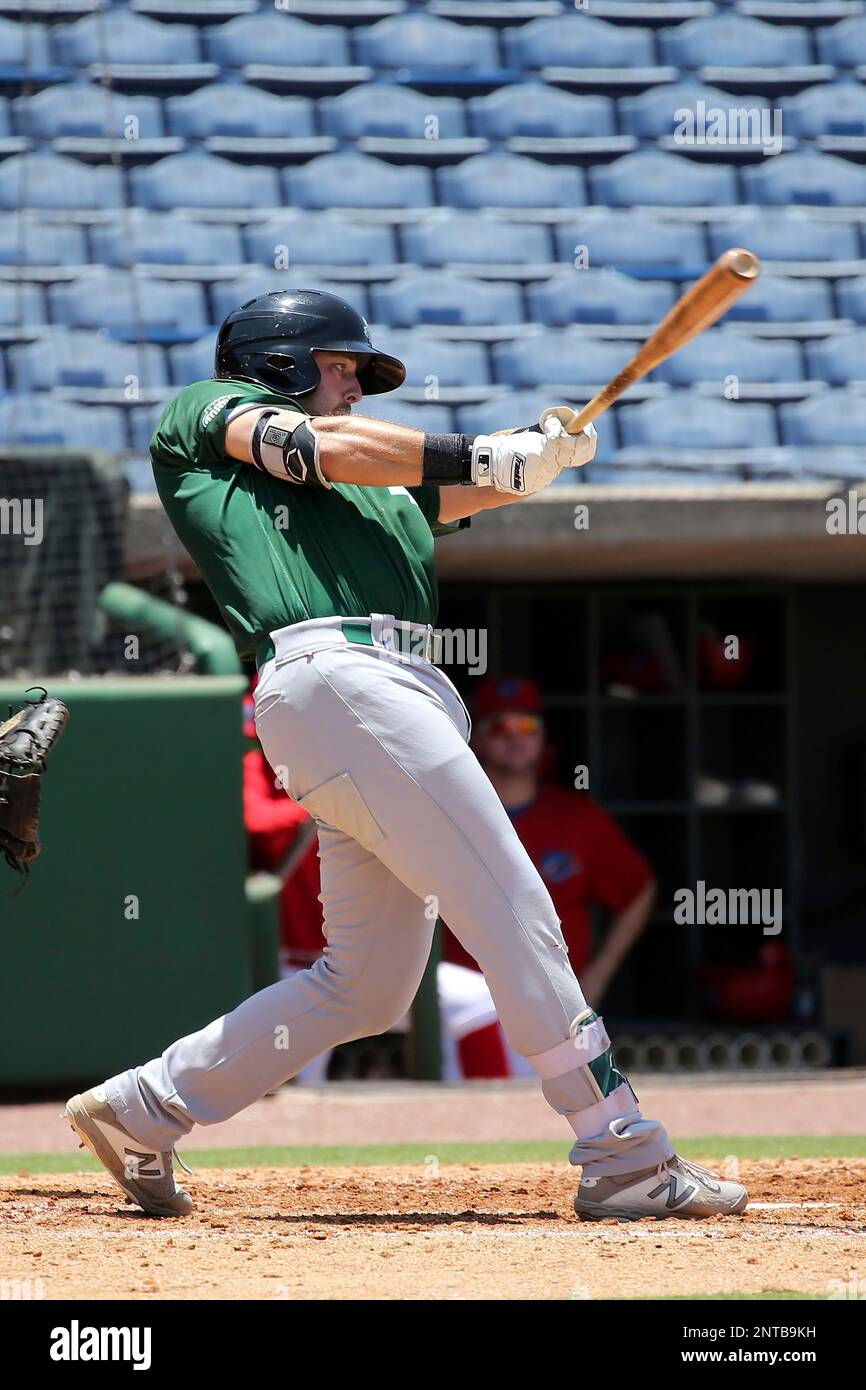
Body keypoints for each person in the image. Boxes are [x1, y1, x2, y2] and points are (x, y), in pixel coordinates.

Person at [64, 288, 746, 1222]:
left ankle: (145, 1107)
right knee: (512, 906)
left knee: (371, 982)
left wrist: (532, 458)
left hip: (384, 696)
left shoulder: (373, 480)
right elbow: (330, 448)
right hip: (339, 675)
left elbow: (434, 487)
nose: (356, 388)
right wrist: (483, 452)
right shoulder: (208, 411)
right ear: (281, 362)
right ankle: (623, 1151)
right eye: (341, 369)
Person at [242, 682, 509, 1082]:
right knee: (292, 1089)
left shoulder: (356, 720)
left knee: (476, 1002)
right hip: (289, 968)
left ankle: (487, 1129)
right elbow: (256, 822)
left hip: (367, 965)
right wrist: (333, 799)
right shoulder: (259, 729)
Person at [444, 674, 656, 1075]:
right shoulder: (445, 814)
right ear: (475, 739)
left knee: (562, 1119)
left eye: (527, 726)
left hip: (558, 1012)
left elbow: (638, 890)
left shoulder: (579, 818)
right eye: (499, 727)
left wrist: (598, 974)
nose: (515, 737)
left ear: (543, 738)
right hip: (464, 1009)